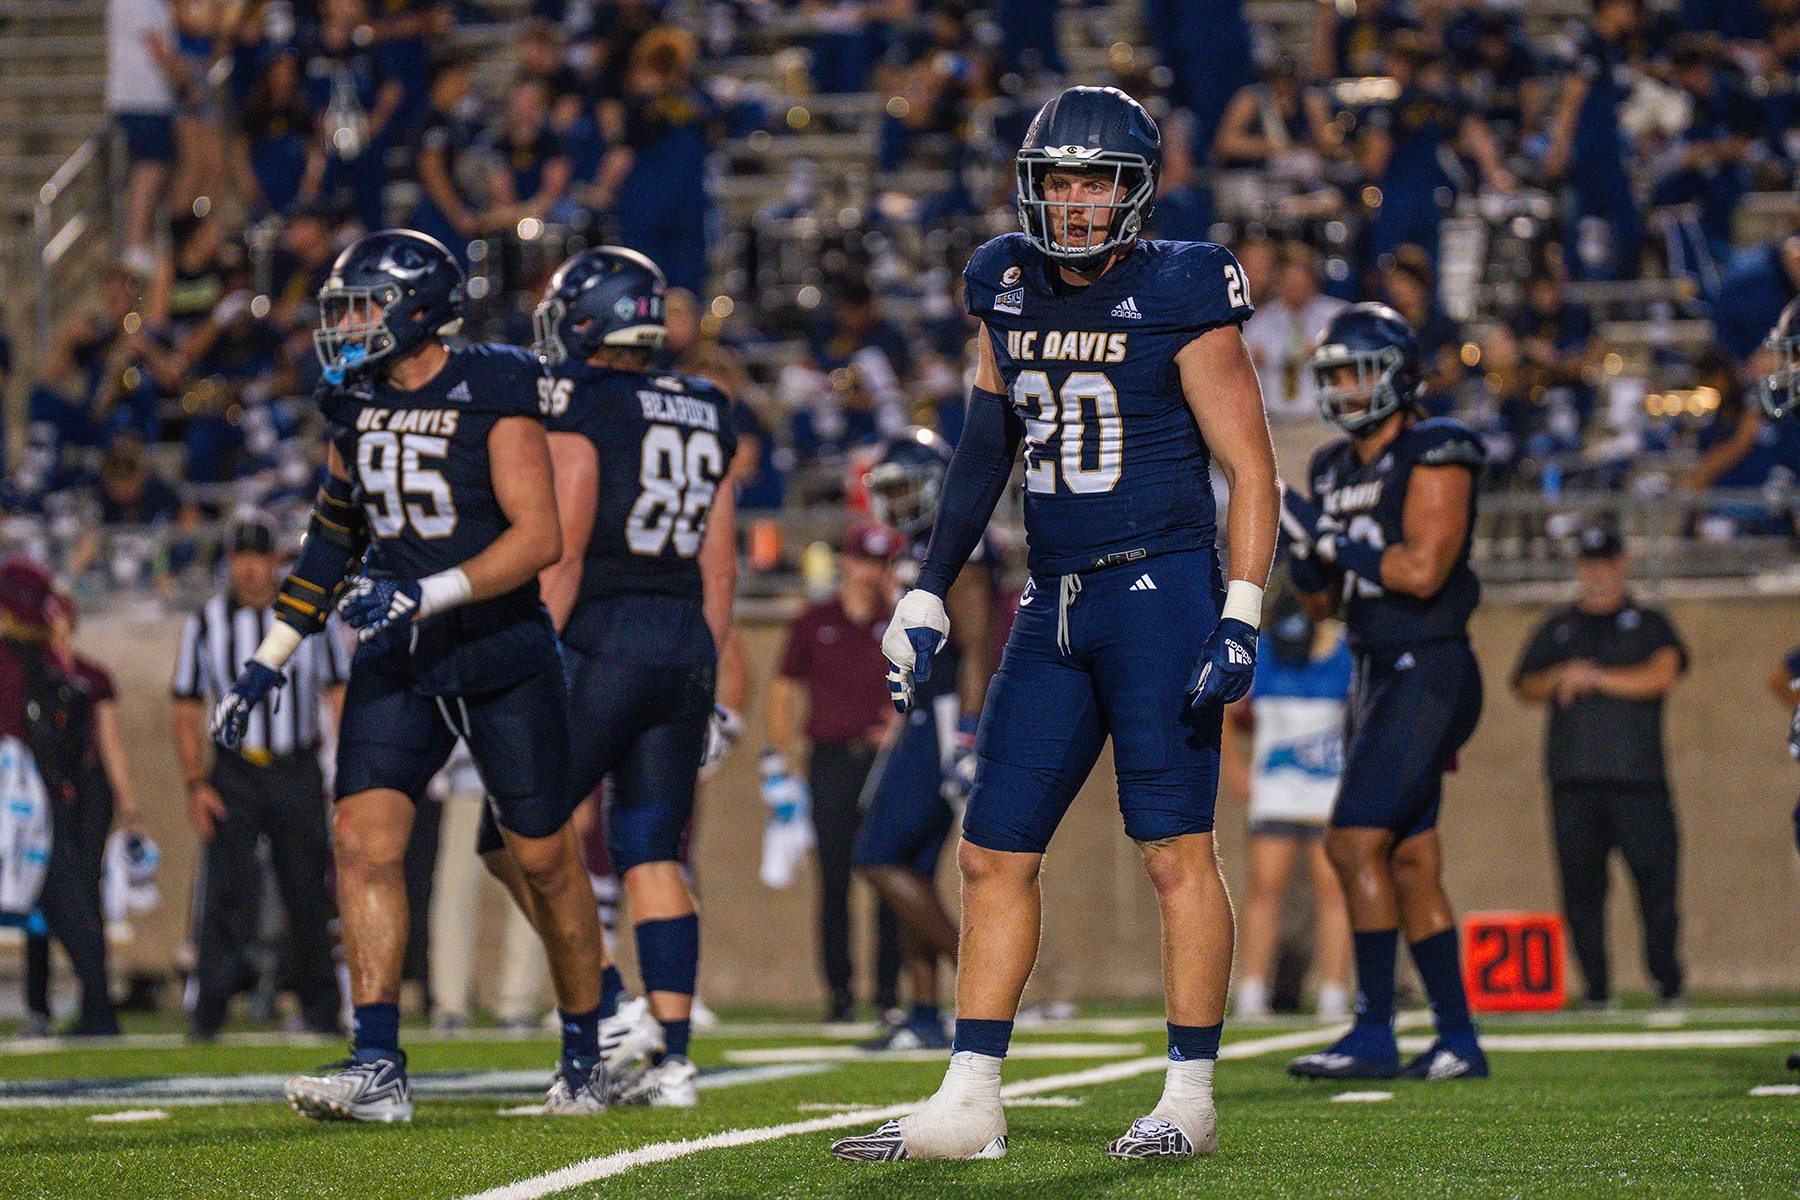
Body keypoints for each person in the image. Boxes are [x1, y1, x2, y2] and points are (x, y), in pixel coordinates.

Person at [833, 85, 1279, 1163]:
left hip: (1161, 589)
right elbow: (985, 444)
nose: (1076, 205)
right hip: (1053, 593)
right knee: (990, 853)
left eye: (1097, 183)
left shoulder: (1181, 286)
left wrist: (1241, 614)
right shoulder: (1004, 278)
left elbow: (1252, 469)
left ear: (1138, 192)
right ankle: (972, 1094)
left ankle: (1188, 1099)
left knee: (1175, 850)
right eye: (1059, 181)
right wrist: (930, 584)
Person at [211, 229, 612, 1120]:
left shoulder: (493, 385)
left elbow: (538, 537)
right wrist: (268, 658)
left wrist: (421, 594)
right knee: (361, 839)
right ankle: (379, 1062)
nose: (346, 327)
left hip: (500, 646)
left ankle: (586, 1048)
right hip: (399, 652)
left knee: (543, 860)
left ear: (419, 309)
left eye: (363, 307)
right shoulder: (351, 401)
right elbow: (332, 537)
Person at [528, 245, 737, 1106]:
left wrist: (535, 654)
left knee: (522, 830)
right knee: (652, 850)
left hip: (604, 636)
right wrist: (711, 676)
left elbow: (568, 549)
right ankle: (675, 1059)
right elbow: (720, 566)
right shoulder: (708, 403)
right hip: (683, 643)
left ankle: (608, 1003)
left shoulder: (584, 399)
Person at [1279, 303, 1488, 1081]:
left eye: (1356, 372)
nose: (1343, 388)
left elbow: (1422, 570)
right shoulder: (1331, 466)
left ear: (1398, 373)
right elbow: (1323, 604)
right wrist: (1303, 557)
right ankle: (1459, 1041)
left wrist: (1330, 539)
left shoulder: (1437, 446)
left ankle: (1372, 1032)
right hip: (1371, 670)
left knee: (1351, 841)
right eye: (1332, 375)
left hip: (1429, 666)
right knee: (1409, 862)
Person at [173, 513, 348, 1040]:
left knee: (307, 892)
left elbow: (337, 692)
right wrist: (195, 783)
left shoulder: (309, 616)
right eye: (239, 557)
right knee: (225, 893)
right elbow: (185, 705)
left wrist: (345, 773)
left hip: (297, 768)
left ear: (276, 559)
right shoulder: (205, 622)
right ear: (229, 562)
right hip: (234, 773)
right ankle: (209, 1013)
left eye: (258, 556)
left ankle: (320, 1010)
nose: (249, 569)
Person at [854, 430, 999, 1051]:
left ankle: (983, 979)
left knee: (877, 855)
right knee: (910, 862)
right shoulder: (918, 544)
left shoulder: (958, 544)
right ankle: (922, 1013)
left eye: (906, 486)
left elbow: (974, 651)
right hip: (923, 712)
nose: (898, 500)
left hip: (946, 717)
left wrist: (966, 737)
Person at [1512, 526, 1688, 1007]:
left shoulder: (1649, 622)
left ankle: (1668, 981)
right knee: (1582, 890)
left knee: (1656, 884)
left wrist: (1596, 677)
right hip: (1572, 780)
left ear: (1623, 563)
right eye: (1589, 562)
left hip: (1638, 780)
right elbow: (1524, 684)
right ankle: (1596, 987)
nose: (1598, 572)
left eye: (1607, 561)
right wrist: (1558, 679)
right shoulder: (1558, 625)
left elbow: (1664, 673)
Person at [767, 520, 906, 1023]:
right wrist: (782, 756)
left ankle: (890, 992)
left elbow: (923, 685)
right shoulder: (814, 620)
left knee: (888, 873)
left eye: (881, 561)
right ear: (848, 561)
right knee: (834, 881)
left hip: (883, 763)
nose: (871, 571)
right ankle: (840, 994)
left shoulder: (897, 622)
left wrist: (900, 722)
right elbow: (783, 688)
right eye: (865, 559)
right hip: (829, 760)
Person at [1222, 590, 1354, 1021]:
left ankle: (1334, 991)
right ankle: (1253, 989)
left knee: (1333, 892)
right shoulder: (1260, 652)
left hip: (1328, 792)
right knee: (1264, 890)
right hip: (1275, 790)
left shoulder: (1345, 650)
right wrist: (1237, 772)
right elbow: (1224, 711)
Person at [23, 587, 148, 1037]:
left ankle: (94, 999)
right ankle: (42, 1005)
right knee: (38, 893)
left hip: (85, 791)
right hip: (38, 792)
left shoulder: (91, 677)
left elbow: (109, 743)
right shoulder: (25, 670)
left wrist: (129, 803)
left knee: (81, 894)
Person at [2, 560, 118, 1036]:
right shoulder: (54, 665)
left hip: (22, 805)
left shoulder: (12, 663)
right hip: (46, 803)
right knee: (69, 910)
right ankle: (97, 1008)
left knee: (65, 909)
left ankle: (97, 1011)